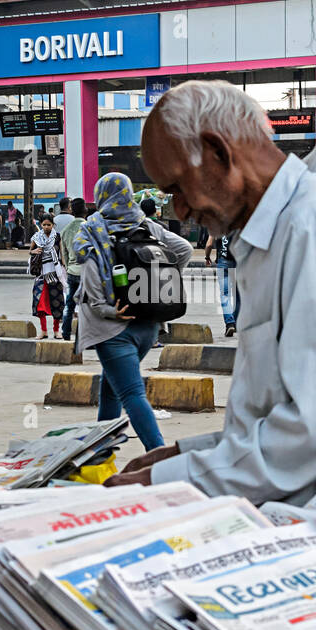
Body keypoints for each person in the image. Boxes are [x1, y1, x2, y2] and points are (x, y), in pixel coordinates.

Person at [106, 79, 316, 503]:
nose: (179, 210)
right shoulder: (272, 235)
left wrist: (172, 480)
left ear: (219, 152)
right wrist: (187, 452)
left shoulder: (314, 226)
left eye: (177, 189)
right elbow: (277, 417)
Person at [73, 172, 191, 451]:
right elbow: (183, 250)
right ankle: (99, 452)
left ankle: (159, 454)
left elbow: (89, 273)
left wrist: (107, 310)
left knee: (131, 393)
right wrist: (161, 286)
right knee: (111, 388)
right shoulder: (147, 225)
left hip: (114, 328)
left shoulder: (94, 229)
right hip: (148, 326)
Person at [30, 214, 66, 339]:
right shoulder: (36, 237)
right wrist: (34, 251)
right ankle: (44, 330)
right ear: (41, 225)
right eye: (44, 225)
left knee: (57, 302)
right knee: (40, 304)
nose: (46, 227)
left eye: (48, 225)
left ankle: (56, 331)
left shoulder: (57, 237)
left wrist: (64, 268)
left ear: (53, 225)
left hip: (55, 274)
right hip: (41, 275)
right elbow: (30, 251)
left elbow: (61, 253)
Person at [59, 197, 87, 341]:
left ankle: (66, 333)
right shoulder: (90, 228)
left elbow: (63, 256)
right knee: (86, 306)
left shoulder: (65, 231)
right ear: (85, 210)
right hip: (86, 272)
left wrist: (70, 266)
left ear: (71, 210)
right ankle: (84, 336)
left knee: (69, 305)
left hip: (71, 272)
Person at [204, 232, 239, 337]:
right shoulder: (238, 221)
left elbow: (209, 244)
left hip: (223, 261)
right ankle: (236, 323)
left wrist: (207, 257)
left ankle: (230, 323)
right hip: (238, 261)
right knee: (239, 295)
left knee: (225, 295)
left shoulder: (216, 224)